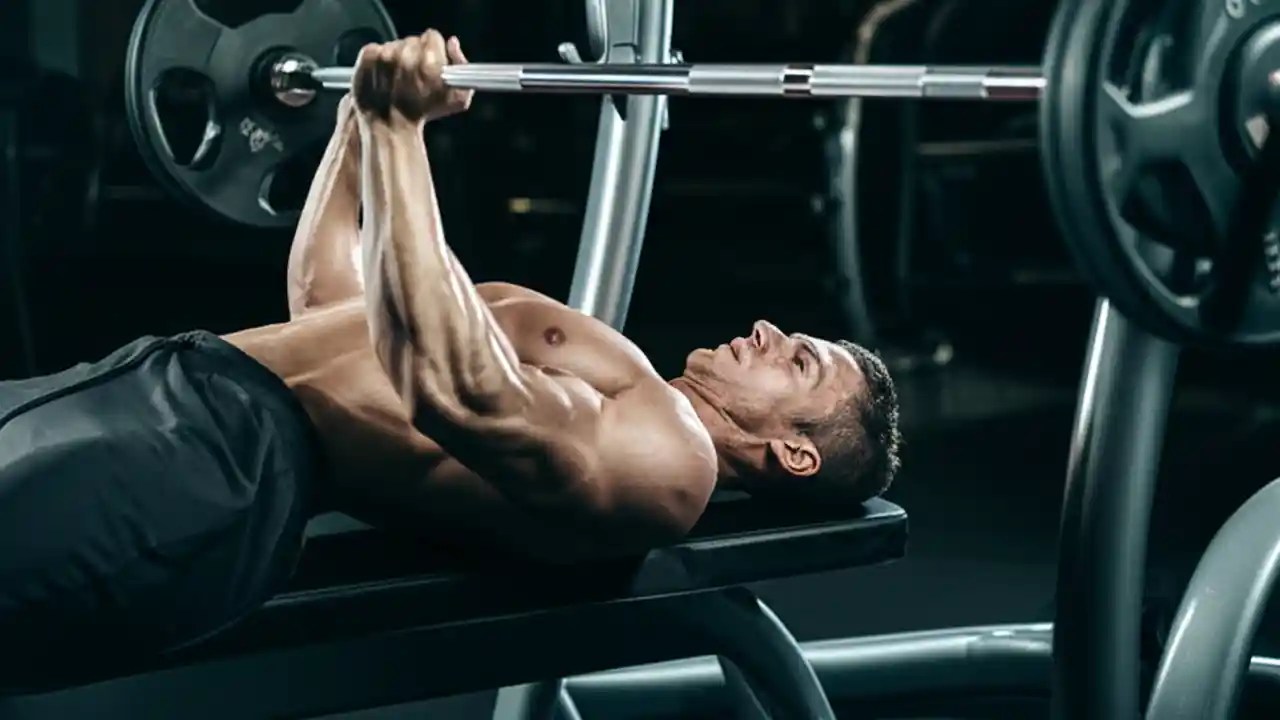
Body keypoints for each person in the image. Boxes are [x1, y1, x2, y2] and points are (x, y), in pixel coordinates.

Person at [0, 31, 901, 672]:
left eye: (800, 364)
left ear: (794, 449)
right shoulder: (622, 379)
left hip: (210, 473)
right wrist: (364, 122)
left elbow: (457, 393)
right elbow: (337, 302)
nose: (773, 335)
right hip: (167, 386)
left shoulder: (673, 463)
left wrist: (400, 132)